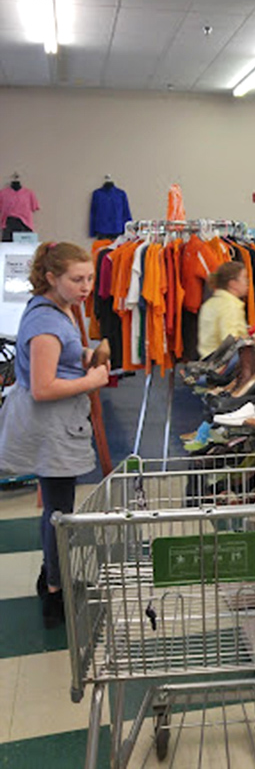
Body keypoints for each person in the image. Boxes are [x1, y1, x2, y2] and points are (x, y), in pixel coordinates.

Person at [0, 242, 110, 628]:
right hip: (50, 428)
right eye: (76, 279)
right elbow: (44, 386)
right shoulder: (46, 322)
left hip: (57, 426)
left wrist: (84, 354)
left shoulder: (57, 308)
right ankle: (54, 590)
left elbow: (58, 357)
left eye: (89, 278)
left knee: (58, 507)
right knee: (59, 511)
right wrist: (92, 378)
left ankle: (52, 575)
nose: (86, 286)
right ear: (51, 278)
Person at [197, 261, 249, 358]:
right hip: (224, 367)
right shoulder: (230, 306)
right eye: (244, 278)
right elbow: (230, 342)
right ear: (233, 284)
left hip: (207, 362)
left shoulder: (210, 303)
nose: (247, 282)